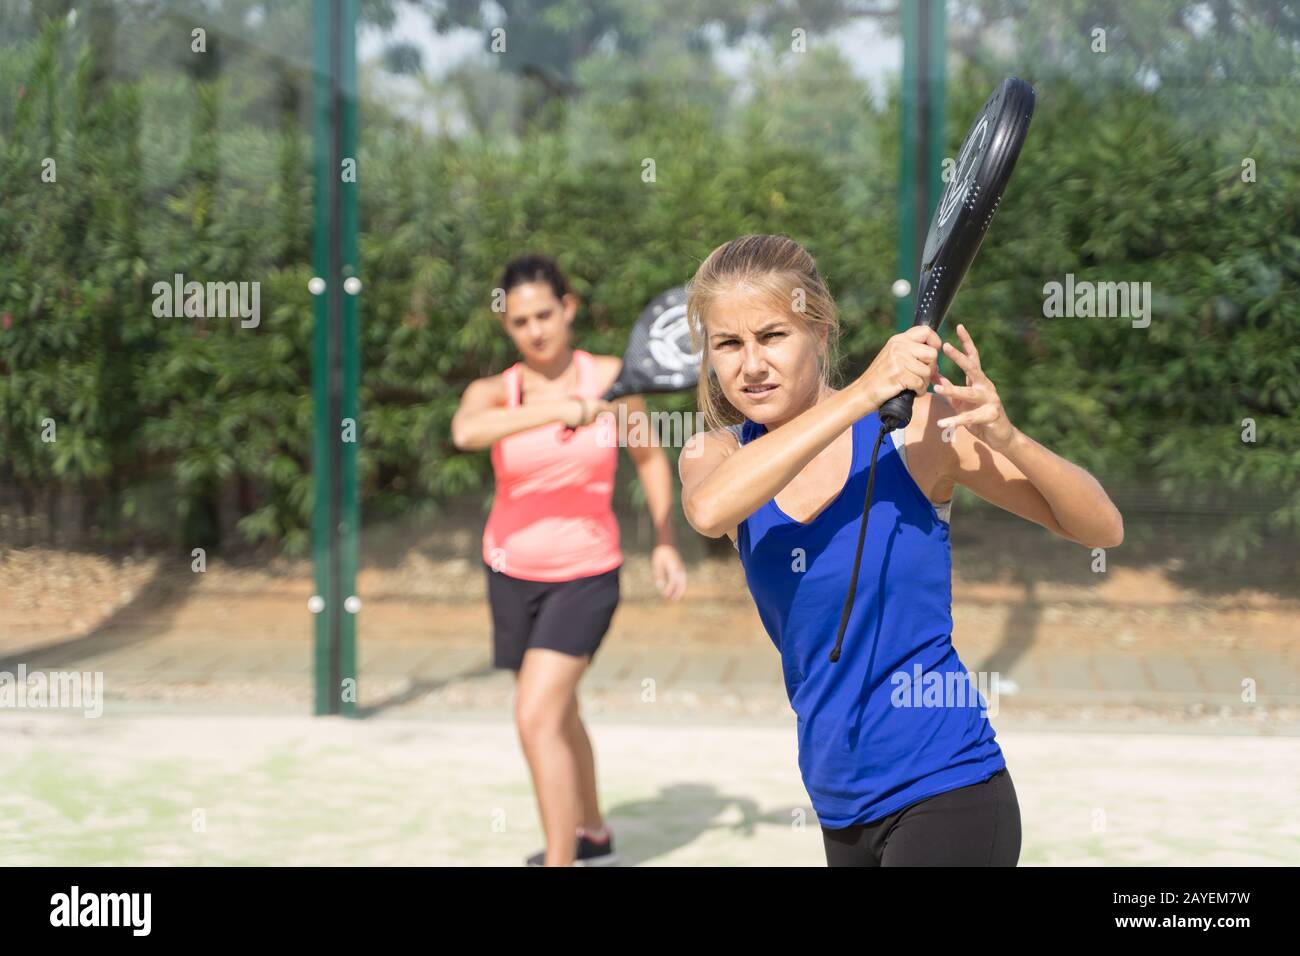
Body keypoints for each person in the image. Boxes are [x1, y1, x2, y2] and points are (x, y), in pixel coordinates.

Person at [678, 235, 1124, 866]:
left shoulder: (916, 431)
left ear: (821, 331)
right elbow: (708, 510)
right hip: (840, 805)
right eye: (728, 343)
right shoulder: (716, 454)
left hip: (949, 787)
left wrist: (1010, 438)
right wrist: (864, 391)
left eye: (773, 336)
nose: (751, 365)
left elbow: (1102, 527)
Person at [452, 254, 688, 867]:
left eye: (544, 315)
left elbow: (649, 462)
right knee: (561, 710)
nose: (534, 330)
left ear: (569, 308)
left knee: (534, 716)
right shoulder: (492, 392)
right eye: (520, 321)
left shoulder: (614, 378)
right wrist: (559, 409)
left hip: (586, 576)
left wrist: (664, 539)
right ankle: (594, 833)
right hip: (508, 572)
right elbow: (466, 434)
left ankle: (561, 859)